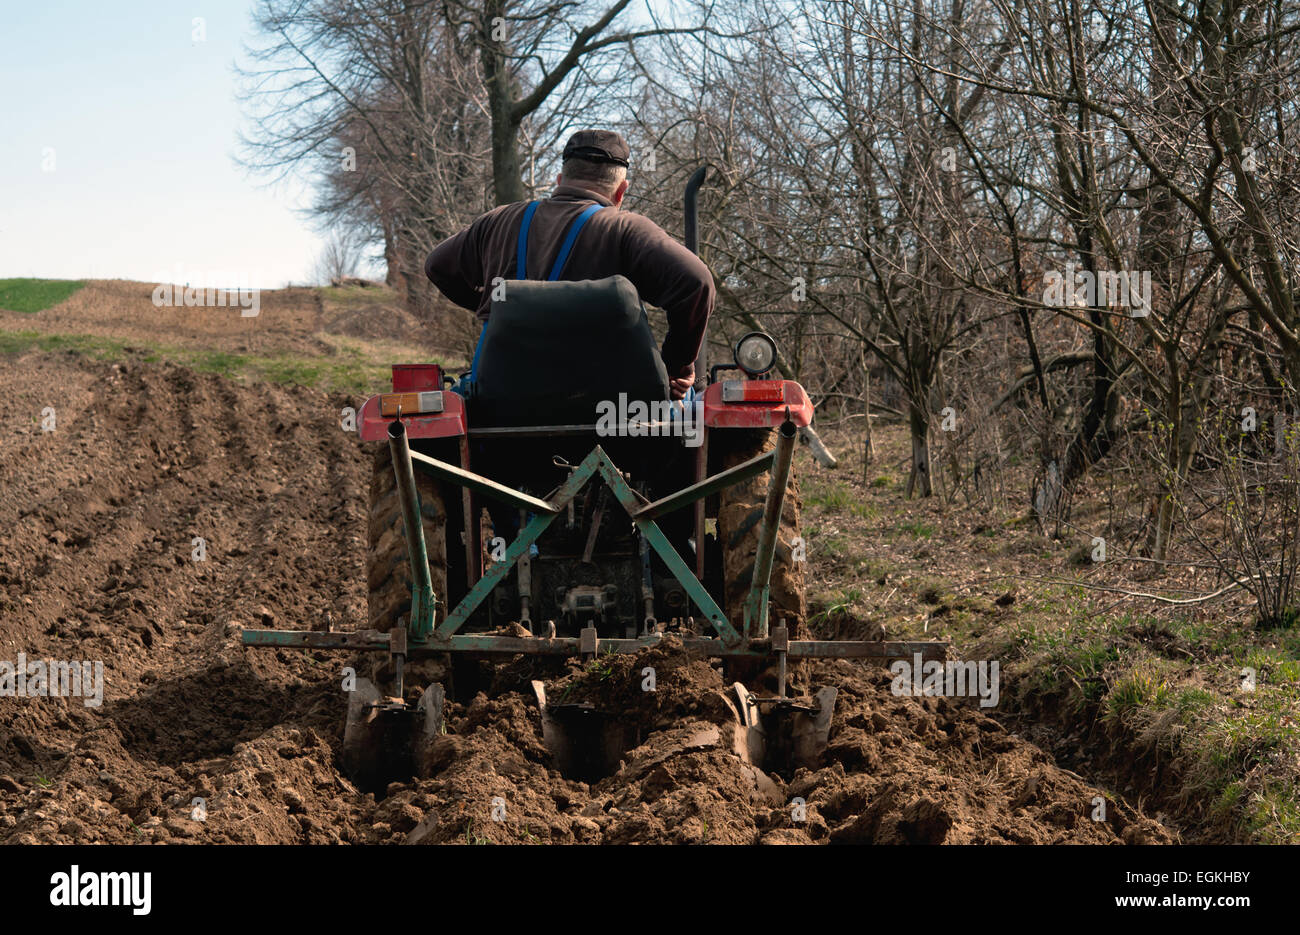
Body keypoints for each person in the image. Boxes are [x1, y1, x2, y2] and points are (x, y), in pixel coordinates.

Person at [423, 129, 714, 399]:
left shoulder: (496, 222)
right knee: (690, 408)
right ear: (621, 191)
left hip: (503, 400)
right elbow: (696, 282)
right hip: (611, 406)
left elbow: (436, 265)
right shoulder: (625, 229)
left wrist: (499, 307)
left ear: (560, 181)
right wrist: (677, 365)